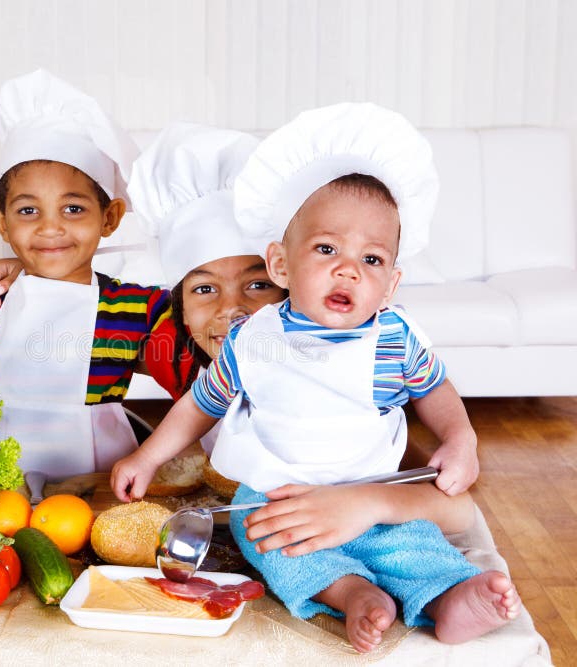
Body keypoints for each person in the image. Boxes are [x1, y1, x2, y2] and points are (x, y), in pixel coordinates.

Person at [110, 104, 519, 653]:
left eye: (371, 259)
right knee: (268, 538)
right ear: (280, 265)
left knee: (414, 546)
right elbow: (197, 404)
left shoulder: (393, 339)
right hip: (283, 496)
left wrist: (459, 437)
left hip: (374, 490)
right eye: (327, 249)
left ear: (392, 282)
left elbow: (435, 390)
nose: (349, 268)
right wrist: (147, 457)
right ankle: (352, 595)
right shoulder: (254, 338)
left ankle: (451, 599)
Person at [0, 68, 174, 477]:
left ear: (110, 217)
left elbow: (206, 308)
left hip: (104, 487)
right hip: (2, 487)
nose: (50, 227)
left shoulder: (137, 307)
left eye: (73, 208)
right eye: (27, 211)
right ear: (1, 222)